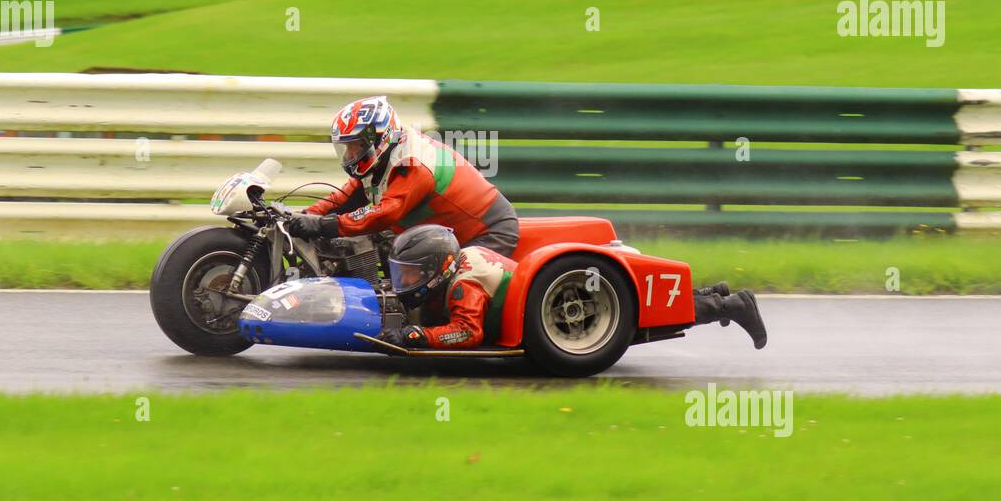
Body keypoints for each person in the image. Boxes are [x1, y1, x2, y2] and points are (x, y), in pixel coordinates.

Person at [378, 225, 768, 351]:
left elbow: (469, 330)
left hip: (560, 311)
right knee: (652, 309)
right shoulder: (463, 257)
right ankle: (713, 293)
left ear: (438, 268)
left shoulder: (464, 287)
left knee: (649, 318)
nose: (406, 283)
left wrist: (419, 335)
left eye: (411, 275)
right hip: (545, 293)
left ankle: (732, 305)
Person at [286, 96, 520, 255]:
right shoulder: (382, 156)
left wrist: (324, 225)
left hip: (486, 233)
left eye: (356, 145)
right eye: (346, 147)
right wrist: (305, 216)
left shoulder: (413, 164)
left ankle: (437, 329)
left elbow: (384, 214)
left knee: (433, 280)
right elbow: (344, 198)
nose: (350, 154)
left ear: (380, 138)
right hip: (440, 230)